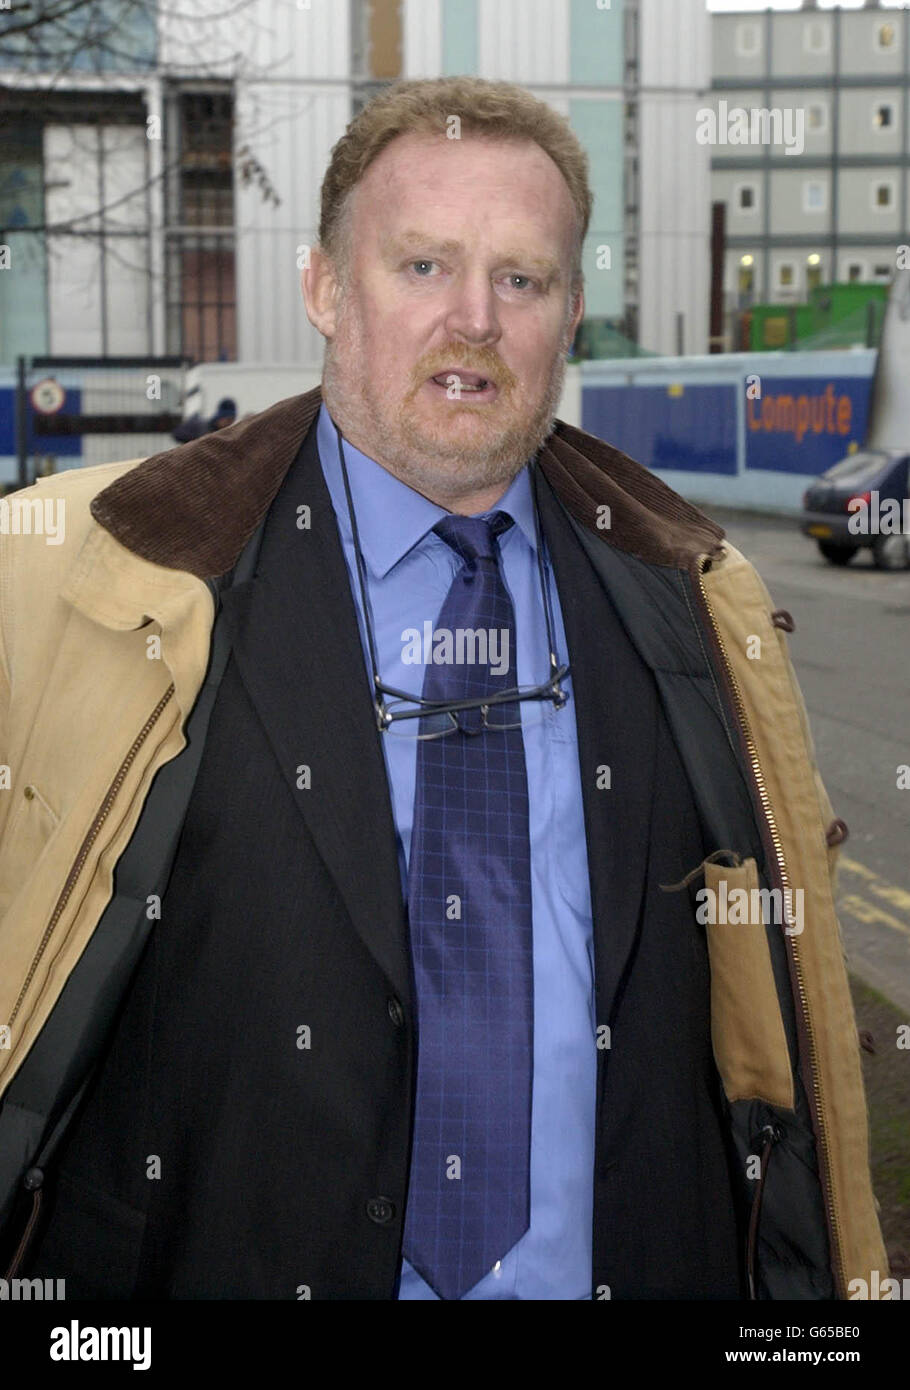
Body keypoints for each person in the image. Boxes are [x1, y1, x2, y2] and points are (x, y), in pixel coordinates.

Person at [0, 77, 887, 1301]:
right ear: (324, 288)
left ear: (569, 316)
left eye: (521, 279)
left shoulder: (695, 602)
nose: (474, 318)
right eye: (423, 265)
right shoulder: (85, 580)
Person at [172, 397, 237, 443]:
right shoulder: (201, 426)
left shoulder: (226, 434)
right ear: (220, 417)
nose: (230, 423)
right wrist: (196, 440)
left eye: (232, 420)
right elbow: (177, 434)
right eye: (228, 420)